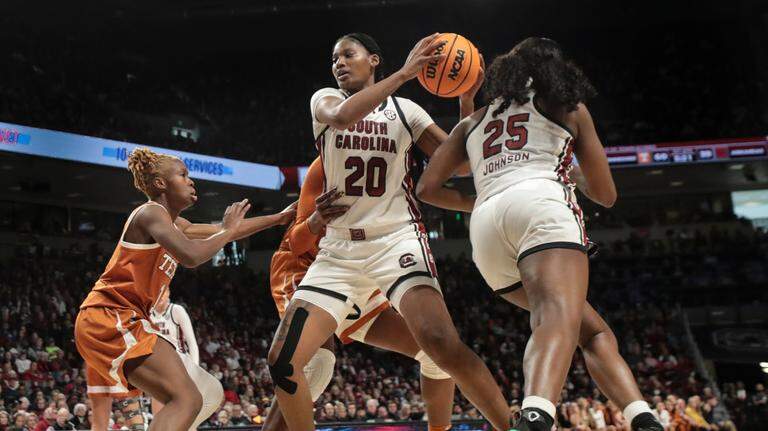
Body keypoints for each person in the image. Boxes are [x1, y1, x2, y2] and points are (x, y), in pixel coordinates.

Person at [415, 37, 663, 431]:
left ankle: (643, 418)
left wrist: (477, 203)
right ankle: (535, 414)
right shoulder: (567, 106)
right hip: (540, 207)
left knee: (593, 331)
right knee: (554, 315)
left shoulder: (472, 122)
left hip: (486, 229)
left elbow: (426, 189)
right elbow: (606, 194)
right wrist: (574, 173)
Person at [266, 32, 511, 431]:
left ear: (373, 59)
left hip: (396, 240)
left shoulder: (407, 111)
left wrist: (466, 99)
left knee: (440, 344)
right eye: (334, 58)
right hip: (339, 252)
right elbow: (343, 118)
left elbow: (460, 163)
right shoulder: (325, 100)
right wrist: (404, 73)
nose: (339, 63)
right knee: (282, 360)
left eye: (348, 54)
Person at [75, 148, 294, 431]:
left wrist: (279, 218)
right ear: (160, 184)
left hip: (126, 319)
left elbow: (225, 230)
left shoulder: (177, 224)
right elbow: (193, 255)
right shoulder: (151, 212)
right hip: (109, 316)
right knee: (187, 399)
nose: (191, 181)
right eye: (183, 175)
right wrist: (227, 231)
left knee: (206, 394)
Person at [264, 155, 458, 431]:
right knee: (315, 363)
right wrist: (315, 221)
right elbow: (297, 242)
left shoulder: (406, 149)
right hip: (309, 266)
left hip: (363, 269)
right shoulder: (329, 160)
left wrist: (466, 111)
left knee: (438, 355)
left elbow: (458, 155)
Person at [149, 289, 199, 415]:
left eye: (162, 292)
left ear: (168, 293)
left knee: (186, 420)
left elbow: (192, 343)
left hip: (180, 366)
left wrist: (194, 370)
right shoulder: (147, 313)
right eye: (156, 292)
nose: (159, 295)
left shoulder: (177, 310)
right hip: (158, 369)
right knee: (159, 419)